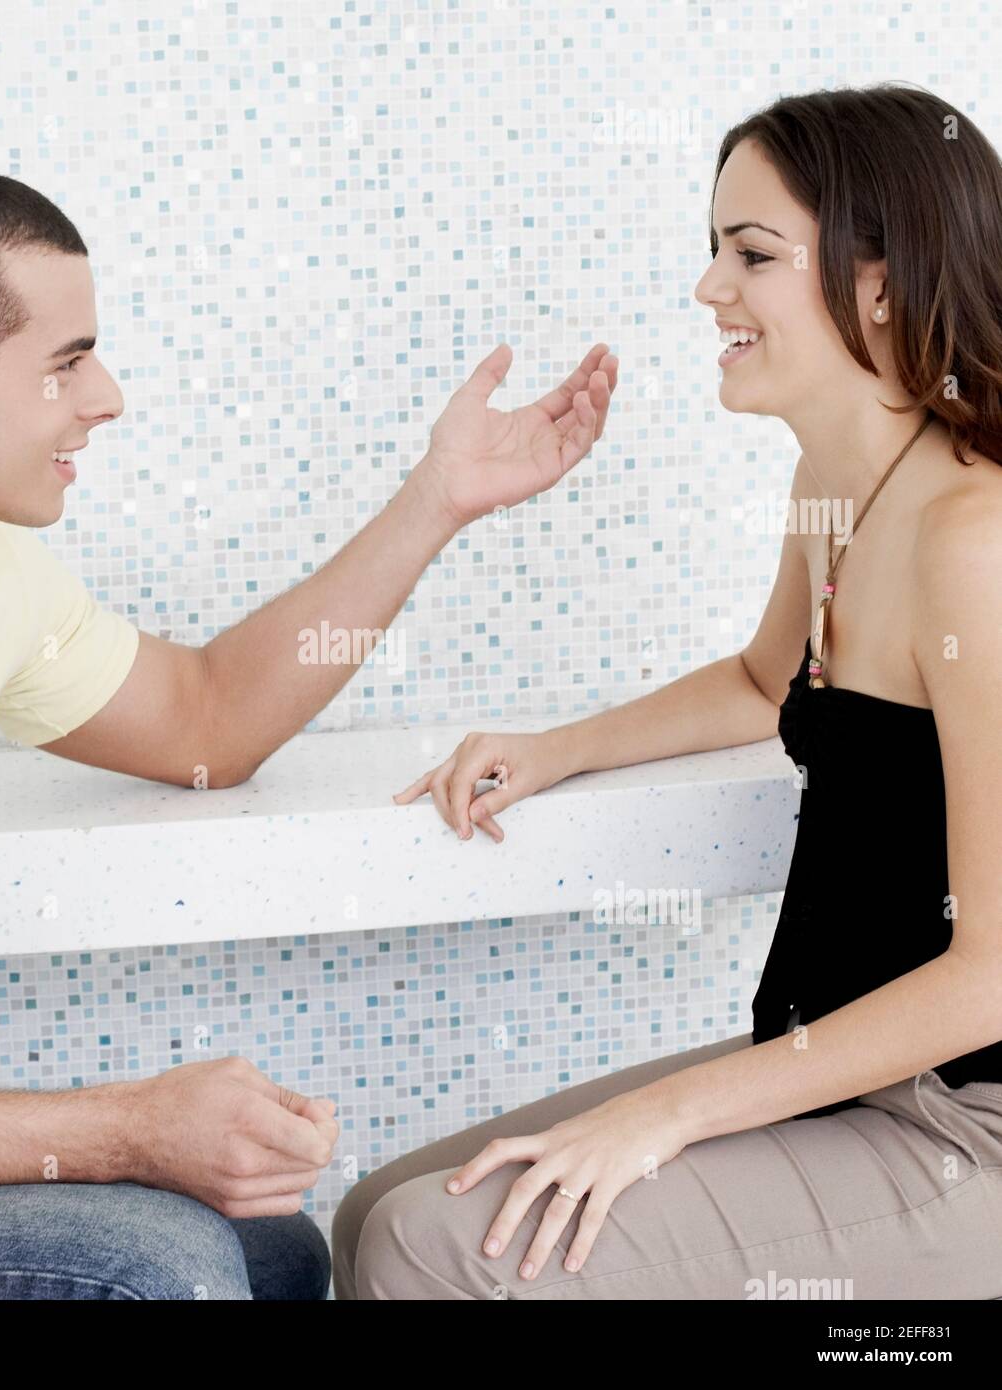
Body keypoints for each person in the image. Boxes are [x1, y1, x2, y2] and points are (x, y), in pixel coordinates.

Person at [0, 159, 617, 1299]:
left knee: (266, 1255)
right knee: (165, 1274)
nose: (108, 398)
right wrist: (127, 1129)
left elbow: (207, 722)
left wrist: (437, 499)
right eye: (67, 365)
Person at [337, 83, 1002, 1300]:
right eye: (712, 251)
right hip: (840, 1073)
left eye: (751, 254)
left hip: (965, 1135)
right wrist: (560, 748)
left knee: (431, 1253)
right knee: (379, 1208)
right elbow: (765, 681)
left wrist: (669, 1112)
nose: (708, 290)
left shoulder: (976, 538)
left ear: (883, 279)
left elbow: (995, 971)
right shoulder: (836, 480)